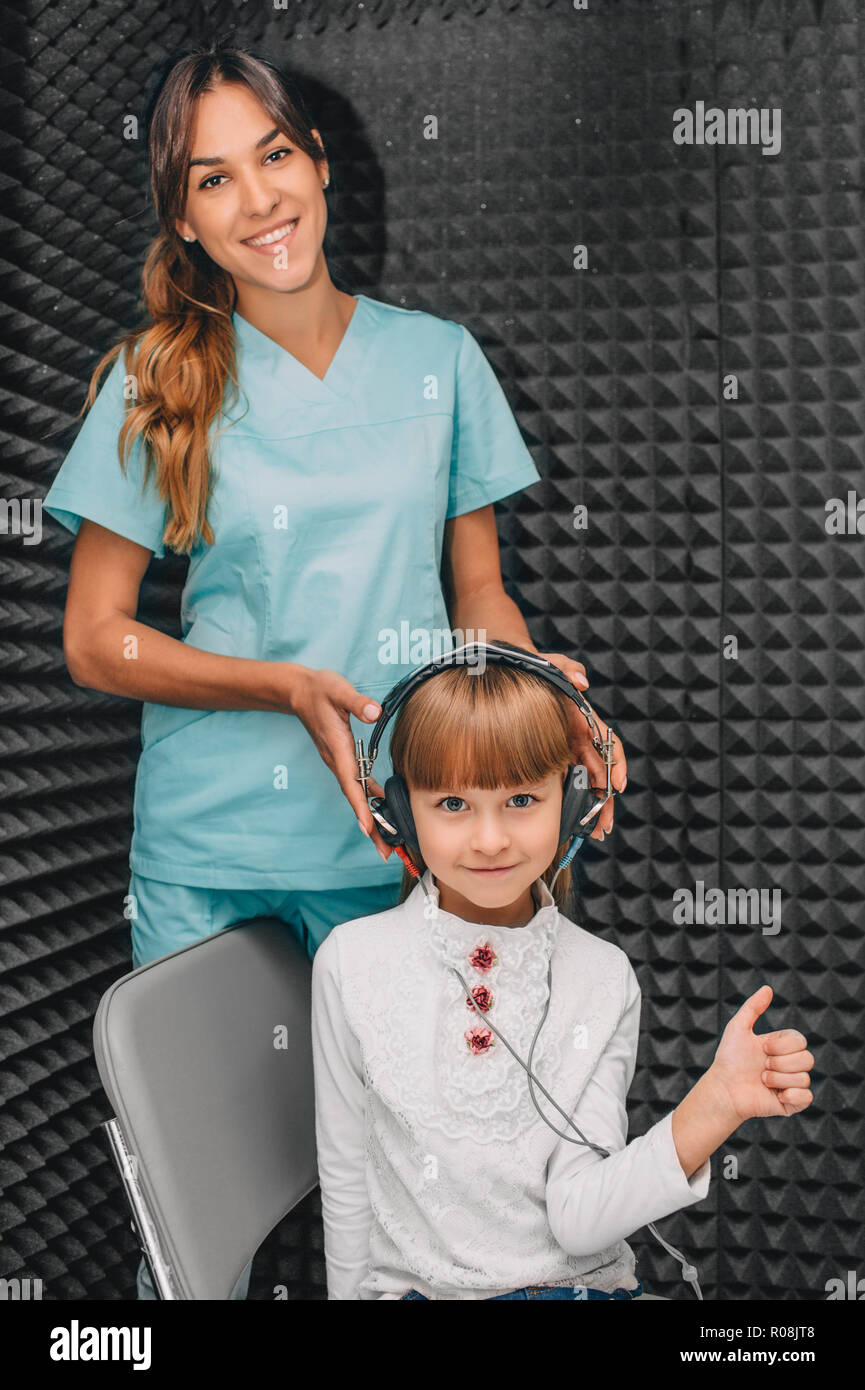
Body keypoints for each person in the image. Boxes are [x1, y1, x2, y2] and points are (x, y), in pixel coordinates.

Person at [42, 43, 625, 1300]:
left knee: (421, 1202)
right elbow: (97, 638)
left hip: (382, 848)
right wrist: (283, 684)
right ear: (183, 218)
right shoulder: (158, 380)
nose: (259, 201)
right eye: (213, 179)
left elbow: (477, 596)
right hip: (206, 862)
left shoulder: (439, 362)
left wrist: (537, 687)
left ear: (316, 162)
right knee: (196, 1227)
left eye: (275, 156)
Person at [310, 652, 816, 1300]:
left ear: (574, 800)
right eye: (453, 803)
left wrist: (712, 1105)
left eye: (521, 799)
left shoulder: (601, 978)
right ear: (401, 814)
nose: (489, 839)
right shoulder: (350, 963)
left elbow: (579, 1221)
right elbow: (345, 1180)